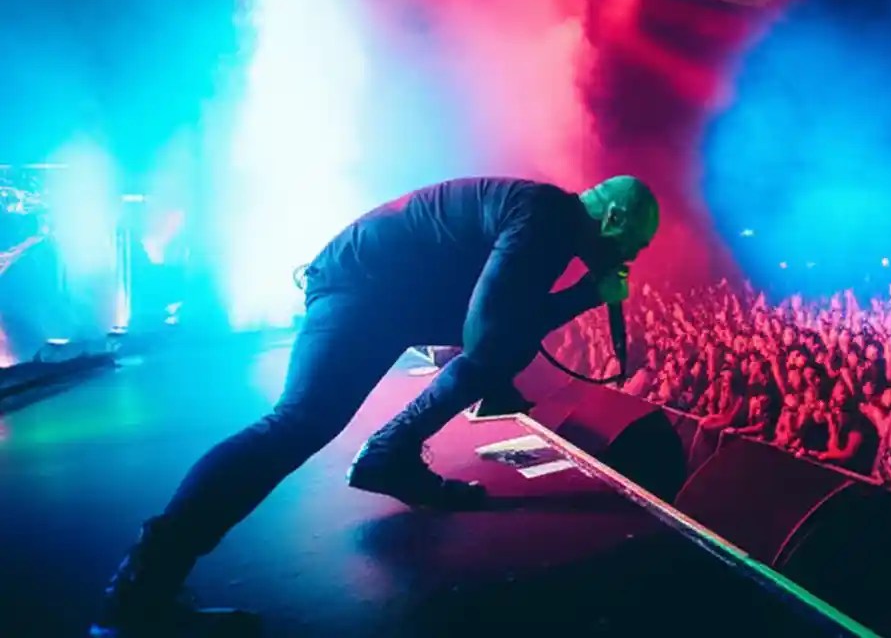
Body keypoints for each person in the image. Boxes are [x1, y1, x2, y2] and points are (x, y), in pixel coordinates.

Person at [90, 175, 660, 637]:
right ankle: (137, 593)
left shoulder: (549, 220)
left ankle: (392, 455)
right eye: (635, 242)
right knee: (295, 425)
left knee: (497, 352)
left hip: (391, 291)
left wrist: (573, 297)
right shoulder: (548, 220)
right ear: (612, 220)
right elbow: (487, 337)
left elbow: (497, 327)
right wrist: (587, 296)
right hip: (362, 287)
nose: (631, 256)